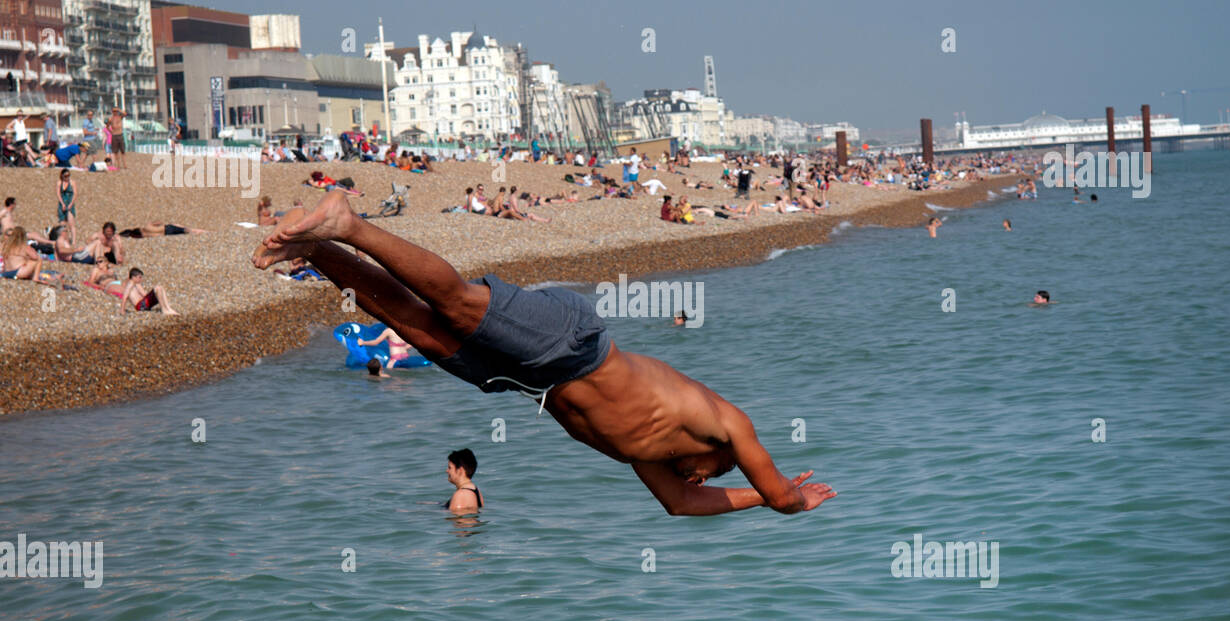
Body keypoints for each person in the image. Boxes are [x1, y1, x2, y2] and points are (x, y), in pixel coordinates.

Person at [252, 193, 837, 517]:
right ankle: (350, 223)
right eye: (707, 473)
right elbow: (782, 497)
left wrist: (756, 496)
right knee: (454, 305)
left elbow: (681, 506)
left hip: (530, 380)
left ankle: (316, 249)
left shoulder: (650, 454)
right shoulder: (726, 422)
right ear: (712, 456)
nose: (693, 477)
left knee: (414, 327)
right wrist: (786, 497)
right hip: (572, 343)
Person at [56, 169, 78, 244]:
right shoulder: (59, 183)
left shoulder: (72, 183)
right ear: (62, 176)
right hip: (62, 203)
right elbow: (58, 194)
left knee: (71, 223)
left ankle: (74, 241)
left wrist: (71, 204)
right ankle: (65, 240)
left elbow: (75, 194)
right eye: (65, 176)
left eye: (68, 175)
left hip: (69, 202)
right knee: (62, 224)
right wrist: (62, 204)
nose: (67, 177)